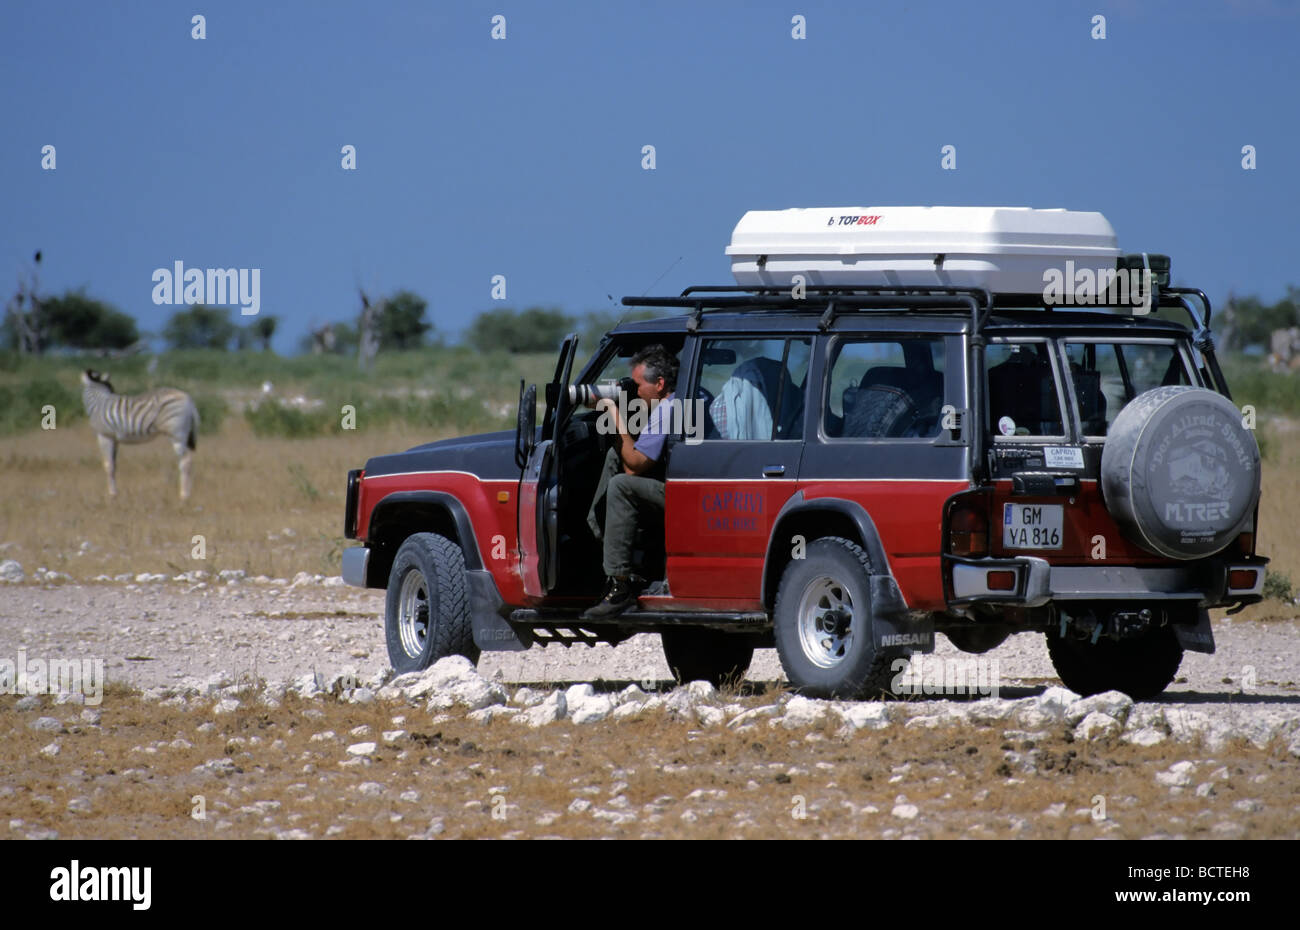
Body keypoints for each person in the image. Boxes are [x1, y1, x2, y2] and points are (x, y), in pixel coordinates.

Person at [582, 344, 678, 619]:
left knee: (622, 485)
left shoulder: (668, 409)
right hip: (682, 485)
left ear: (659, 384)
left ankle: (620, 585)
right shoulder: (678, 401)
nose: (634, 391)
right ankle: (599, 530)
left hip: (681, 495)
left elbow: (635, 466)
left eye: (638, 385)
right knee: (615, 454)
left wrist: (614, 416)